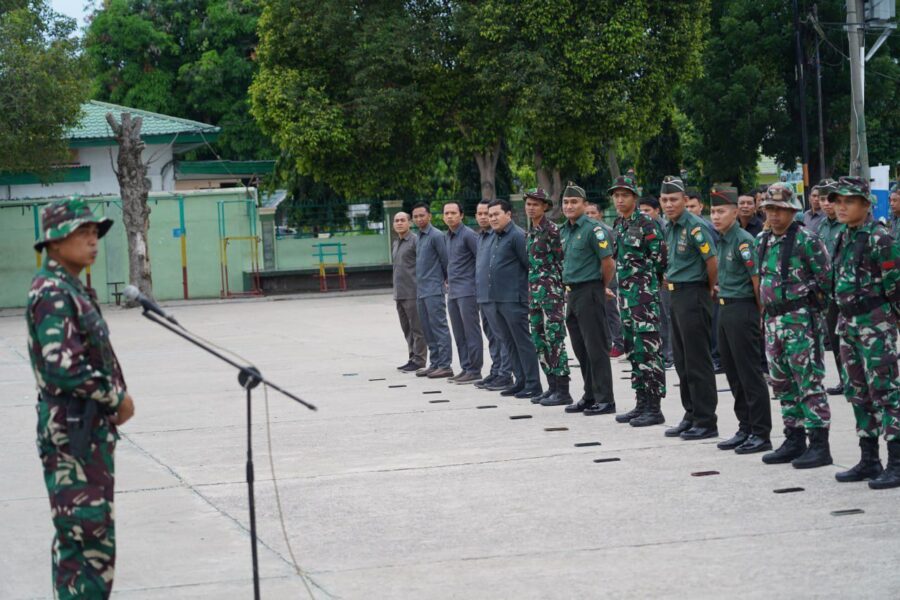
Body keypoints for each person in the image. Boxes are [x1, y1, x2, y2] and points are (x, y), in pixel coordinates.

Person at [27, 198, 136, 599]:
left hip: (86, 430)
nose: (92, 241)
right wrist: (116, 397)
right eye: (82, 233)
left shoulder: (71, 288)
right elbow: (63, 368)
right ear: (54, 242)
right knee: (85, 538)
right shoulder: (53, 293)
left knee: (90, 538)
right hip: (73, 432)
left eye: (94, 234)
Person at [829, 177, 900, 489]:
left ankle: (897, 461)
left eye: (849, 201)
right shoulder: (844, 236)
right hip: (849, 326)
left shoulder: (880, 237)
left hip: (875, 326)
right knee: (857, 393)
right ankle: (869, 458)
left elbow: (895, 286)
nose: (841, 207)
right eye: (838, 201)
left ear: (866, 205)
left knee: (886, 393)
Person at [757, 183, 833, 468]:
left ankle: (819, 444)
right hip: (773, 320)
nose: (774, 215)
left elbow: (826, 282)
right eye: (770, 209)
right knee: (783, 383)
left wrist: (812, 314)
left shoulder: (807, 239)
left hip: (800, 320)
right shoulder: (762, 240)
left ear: (792, 211)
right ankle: (793, 438)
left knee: (809, 382)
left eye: (780, 209)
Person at [708, 187, 772, 454]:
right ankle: (744, 427)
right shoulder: (721, 240)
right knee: (733, 373)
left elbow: (757, 282)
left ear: (735, 212)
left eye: (721, 211)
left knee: (749, 374)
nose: (715, 216)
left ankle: (760, 432)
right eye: (712, 211)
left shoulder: (743, 240)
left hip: (744, 309)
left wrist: (759, 316)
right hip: (725, 310)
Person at [659, 175, 719, 440]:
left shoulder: (695, 226)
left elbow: (712, 261)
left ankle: (706, 420)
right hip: (676, 296)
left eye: (674, 199)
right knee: (682, 361)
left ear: (685, 200)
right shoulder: (669, 226)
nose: (669, 204)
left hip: (694, 293)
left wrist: (706, 290)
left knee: (697, 361)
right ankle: (691, 413)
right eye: (664, 200)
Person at [609, 175, 667, 427]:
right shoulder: (619, 224)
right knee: (633, 350)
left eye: (625, 195)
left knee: (649, 352)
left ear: (634, 197)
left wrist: (646, 286)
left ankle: (654, 407)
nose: (620, 200)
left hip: (644, 299)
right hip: (626, 300)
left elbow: (660, 261)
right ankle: (641, 402)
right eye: (616, 196)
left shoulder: (647, 224)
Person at [560, 182, 617, 416]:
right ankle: (590, 394)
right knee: (580, 348)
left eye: (574, 202)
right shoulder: (564, 231)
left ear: (585, 205)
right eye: (566, 202)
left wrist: (600, 286)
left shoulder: (595, 230)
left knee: (596, 347)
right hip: (572, 293)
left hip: (590, 290)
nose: (569, 206)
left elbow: (608, 262)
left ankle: (605, 399)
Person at [484, 199, 543, 398]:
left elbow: (529, 265)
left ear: (508, 215)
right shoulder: (495, 236)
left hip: (514, 299)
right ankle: (521, 381)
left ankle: (533, 384)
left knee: (522, 342)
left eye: (496, 214)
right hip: (497, 299)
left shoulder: (517, 235)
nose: (492, 218)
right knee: (508, 342)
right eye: (490, 215)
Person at [521, 188, 573, 406]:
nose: (531, 207)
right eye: (528, 204)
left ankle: (563, 390)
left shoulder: (553, 231)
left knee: (555, 339)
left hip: (552, 294)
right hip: (534, 294)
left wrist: (562, 289)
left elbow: (563, 261)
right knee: (539, 340)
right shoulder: (531, 232)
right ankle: (551, 386)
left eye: (536, 204)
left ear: (545, 207)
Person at [411, 203, 454, 378]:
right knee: (427, 328)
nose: (419, 219)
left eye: (422, 215)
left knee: (439, 327)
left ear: (429, 216)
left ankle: (445, 365)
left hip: (434, 289)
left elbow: (446, 261)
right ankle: (435, 362)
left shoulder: (436, 235)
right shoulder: (419, 237)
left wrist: (445, 281)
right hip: (421, 290)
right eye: (416, 216)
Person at [473, 200, 512, 390]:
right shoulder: (480, 237)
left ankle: (505, 374)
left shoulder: (498, 236)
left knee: (502, 335)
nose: (484, 217)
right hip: (482, 295)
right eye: (480, 214)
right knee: (491, 336)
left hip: (494, 295)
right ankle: (496, 370)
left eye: (486, 214)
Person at [443, 201, 483, 384]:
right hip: (452, 291)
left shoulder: (468, 235)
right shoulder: (447, 236)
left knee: (471, 332)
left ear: (461, 215)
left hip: (468, 291)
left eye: (453, 213)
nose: (449, 216)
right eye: (446, 213)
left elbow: (480, 261)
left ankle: (475, 369)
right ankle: (466, 367)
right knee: (459, 333)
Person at [814, 179, 844, 395]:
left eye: (829, 199)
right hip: (829, 292)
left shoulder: (846, 223)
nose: (826, 204)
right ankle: (845, 380)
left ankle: (858, 380)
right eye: (822, 199)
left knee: (850, 338)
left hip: (848, 289)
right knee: (834, 338)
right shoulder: (822, 225)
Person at [586, 202, 626, 358]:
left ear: (600, 214)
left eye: (592, 213)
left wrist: (607, 280)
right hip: (592, 278)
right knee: (599, 314)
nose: (589, 216)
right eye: (587, 213)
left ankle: (619, 342)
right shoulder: (585, 231)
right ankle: (608, 343)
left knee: (610, 312)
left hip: (607, 277)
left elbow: (612, 256)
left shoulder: (608, 231)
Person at [640, 196, 674, 369]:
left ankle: (669, 355)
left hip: (667, 278)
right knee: (658, 315)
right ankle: (662, 352)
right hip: (651, 279)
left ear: (657, 211)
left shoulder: (665, 227)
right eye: (641, 211)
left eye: (647, 210)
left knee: (667, 316)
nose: (643, 214)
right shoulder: (644, 228)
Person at [391, 212, 427, 372]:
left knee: (417, 328)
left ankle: (419, 359)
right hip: (399, 293)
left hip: (413, 291)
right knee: (406, 328)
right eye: (396, 220)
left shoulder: (415, 241)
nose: (399, 223)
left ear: (409, 223)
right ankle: (412, 356)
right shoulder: (396, 243)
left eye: (402, 220)